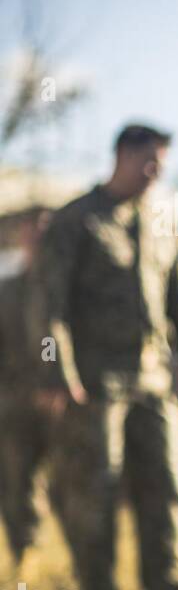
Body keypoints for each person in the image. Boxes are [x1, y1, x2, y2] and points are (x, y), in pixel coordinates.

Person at [33, 124, 178, 590]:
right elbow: (49, 307)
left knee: (170, 485)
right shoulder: (76, 222)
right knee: (95, 492)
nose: (158, 173)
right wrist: (56, 372)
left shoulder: (161, 225)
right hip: (94, 384)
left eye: (163, 164)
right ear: (123, 155)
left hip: (155, 381)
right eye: (151, 161)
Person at [0, 206, 54, 568]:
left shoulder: (66, 286)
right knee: (16, 476)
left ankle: (86, 560)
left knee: (72, 478)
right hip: (15, 397)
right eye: (30, 231)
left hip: (66, 397)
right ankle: (25, 546)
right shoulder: (7, 290)